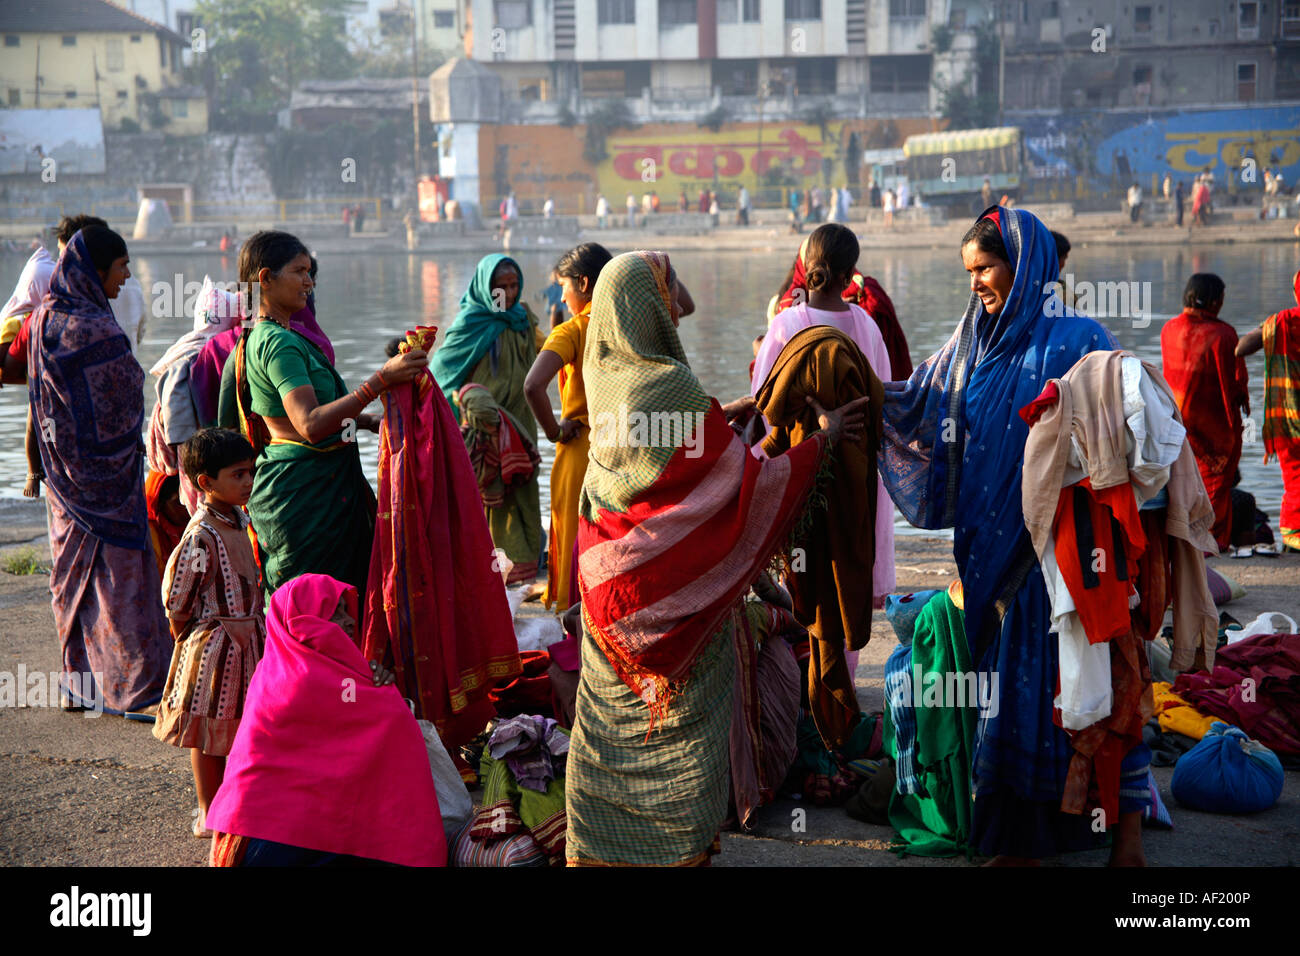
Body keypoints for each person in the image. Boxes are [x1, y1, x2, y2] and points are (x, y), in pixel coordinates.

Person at [565, 250, 869, 866]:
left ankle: (600, 851)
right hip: (674, 594)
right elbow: (737, 489)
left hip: (609, 588)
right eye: (665, 291)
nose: (676, 303)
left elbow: (659, 472)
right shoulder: (668, 384)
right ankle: (679, 849)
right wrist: (821, 441)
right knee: (685, 732)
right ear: (650, 308)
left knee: (610, 726)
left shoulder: (603, 378)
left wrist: (723, 420)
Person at [878, 206, 1146, 866]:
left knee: (1095, 688)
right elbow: (912, 401)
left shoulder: (1080, 338)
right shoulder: (971, 344)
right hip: (992, 555)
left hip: (1068, 554)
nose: (976, 284)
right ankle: (1020, 839)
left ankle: (1121, 839)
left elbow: (1125, 435)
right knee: (1014, 696)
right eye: (968, 271)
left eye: (986, 268)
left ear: (1025, 267)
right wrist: (839, 392)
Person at [221, 231, 426, 602]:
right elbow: (310, 425)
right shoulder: (277, 342)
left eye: (310, 271)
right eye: (299, 271)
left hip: (301, 484)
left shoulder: (268, 335)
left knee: (319, 608)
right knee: (320, 608)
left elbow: (294, 420)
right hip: (307, 495)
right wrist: (382, 380)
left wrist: (365, 421)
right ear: (265, 278)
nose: (309, 282)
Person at [751, 224, 898, 707]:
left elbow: (763, 401)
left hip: (804, 474)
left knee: (805, 577)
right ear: (850, 274)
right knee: (845, 574)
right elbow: (883, 396)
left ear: (806, 265)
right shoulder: (867, 325)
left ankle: (810, 692)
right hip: (855, 478)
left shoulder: (786, 325)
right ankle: (842, 689)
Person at [28, 226, 172, 715]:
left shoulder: (44, 318)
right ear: (96, 270)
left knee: (71, 576)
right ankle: (134, 688)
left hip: (63, 480)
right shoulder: (98, 328)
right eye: (121, 266)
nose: (127, 276)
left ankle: (80, 685)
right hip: (109, 481)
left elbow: (40, 401)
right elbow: (127, 393)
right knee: (121, 580)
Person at [206, 574, 446, 867]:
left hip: (253, 839)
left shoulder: (270, 677)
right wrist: (382, 693)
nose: (348, 622)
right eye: (335, 612)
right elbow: (397, 733)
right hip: (281, 842)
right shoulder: (321, 683)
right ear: (301, 622)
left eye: (346, 611)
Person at [154, 428, 263, 836]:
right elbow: (177, 601)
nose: (248, 482)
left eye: (251, 472)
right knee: (207, 734)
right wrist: (191, 641)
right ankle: (208, 811)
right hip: (214, 648)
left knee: (237, 729)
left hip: (249, 643)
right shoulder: (200, 535)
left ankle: (233, 807)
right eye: (238, 475)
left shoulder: (238, 518)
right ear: (206, 483)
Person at [431, 254, 546, 585]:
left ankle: (524, 562)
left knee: (522, 486)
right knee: (491, 495)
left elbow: (544, 351)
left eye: (513, 286)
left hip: (522, 421)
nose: (507, 294)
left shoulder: (523, 318)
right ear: (485, 287)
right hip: (485, 427)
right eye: (500, 287)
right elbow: (443, 378)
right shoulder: (471, 323)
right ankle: (493, 568)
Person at [524, 243, 613, 611]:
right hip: (624, 445)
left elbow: (532, 387)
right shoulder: (634, 326)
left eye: (564, 286)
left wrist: (553, 431)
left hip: (580, 451)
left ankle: (573, 613)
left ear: (584, 283)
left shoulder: (573, 330)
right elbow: (683, 304)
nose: (561, 295)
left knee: (577, 534)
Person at [1160, 273, 1249, 551]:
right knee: (1215, 484)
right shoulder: (1223, 334)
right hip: (1213, 427)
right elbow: (1233, 386)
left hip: (1174, 423)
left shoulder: (1168, 329)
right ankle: (1212, 541)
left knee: (1182, 481)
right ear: (1214, 300)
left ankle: (1185, 538)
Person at [147, 277, 245, 515]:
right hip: (211, 455)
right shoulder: (222, 352)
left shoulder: (184, 353)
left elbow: (171, 423)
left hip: (194, 460)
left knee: (206, 519)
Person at [767, 232, 913, 380]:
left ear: (806, 266)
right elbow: (883, 388)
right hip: (864, 402)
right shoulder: (866, 319)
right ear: (850, 273)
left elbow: (763, 394)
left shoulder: (784, 320)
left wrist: (762, 350)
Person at [1236, 270, 1300, 552]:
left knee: (1295, 476)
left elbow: (1241, 348)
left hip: (1288, 416)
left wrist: (1270, 328)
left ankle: (1295, 535)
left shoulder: (1285, 322)